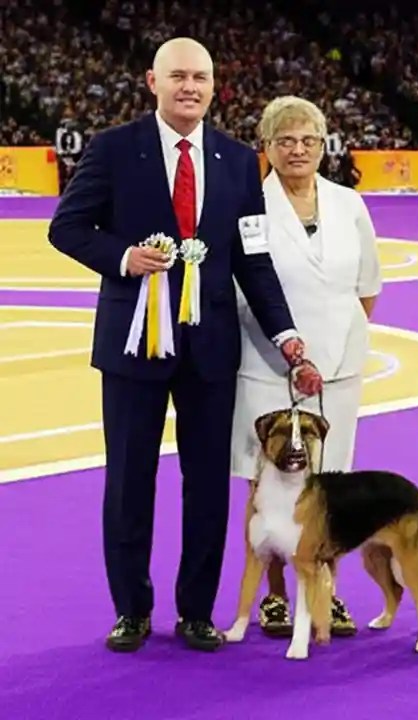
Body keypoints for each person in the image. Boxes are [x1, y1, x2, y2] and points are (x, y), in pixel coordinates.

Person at [46, 37, 320, 652]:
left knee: (205, 484)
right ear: (153, 82)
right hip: (132, 344)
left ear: (215, 85)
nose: (189, 87)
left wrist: (286, 333)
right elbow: (66, 226)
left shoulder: (235, 159)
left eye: (200, 77)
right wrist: (121, 257)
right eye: (178, 77)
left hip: (211, 349)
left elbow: (253, 258)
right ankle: (132, 610)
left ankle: (197, 609)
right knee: (128, 480)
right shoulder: (114, 149)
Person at [227, 95, 382, 640]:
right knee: (271, 484)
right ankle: (272, 596)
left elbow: (367, 288)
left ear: (324, 146)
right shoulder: (248, 206)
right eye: (285, 140)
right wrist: (293, 351)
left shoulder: (349, 203)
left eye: (308, 140)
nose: (297, 149)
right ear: (266, 148)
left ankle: (325, 593)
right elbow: (240, 288)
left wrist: (332, 345)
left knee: (329, 486)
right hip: (268, 366)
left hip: (337, 368)